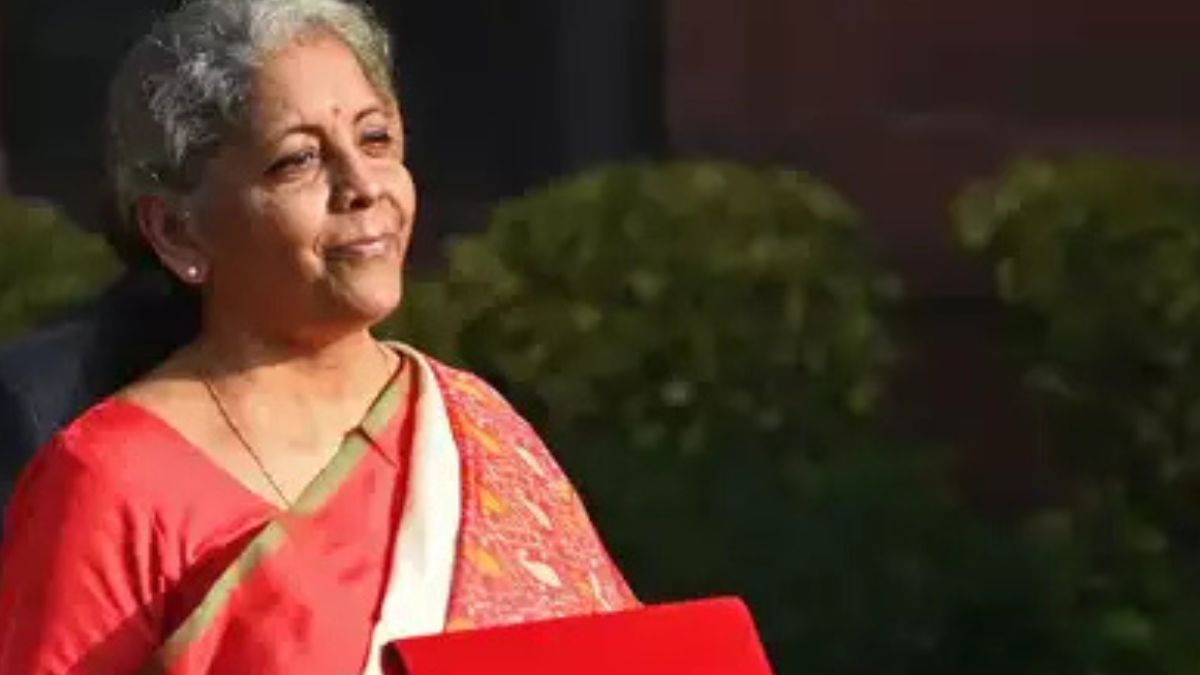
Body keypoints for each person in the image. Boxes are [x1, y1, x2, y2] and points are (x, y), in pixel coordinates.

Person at [0, 0, 637, 672]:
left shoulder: (474, 425)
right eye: (298, 160)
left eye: (376, 140)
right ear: (178, 231)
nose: (362, 186)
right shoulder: (114, 480)